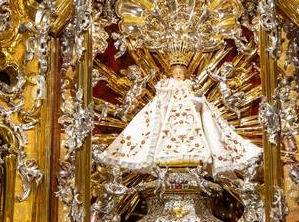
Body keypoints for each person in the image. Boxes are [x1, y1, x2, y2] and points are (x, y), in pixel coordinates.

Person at [97, 60, 261, 174]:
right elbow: (160, 100)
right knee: (166, 136)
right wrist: (163, 89)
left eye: (181, 73)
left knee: (195, 134)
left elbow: (199, 101)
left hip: (190, 118)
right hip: (171, 118)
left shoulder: (189, 85)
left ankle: (193, 157)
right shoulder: (167, 84)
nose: (178, 75)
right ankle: (167, 157)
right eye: (175, 73)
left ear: (185, 74)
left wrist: (196, 96)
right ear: (171, 74)